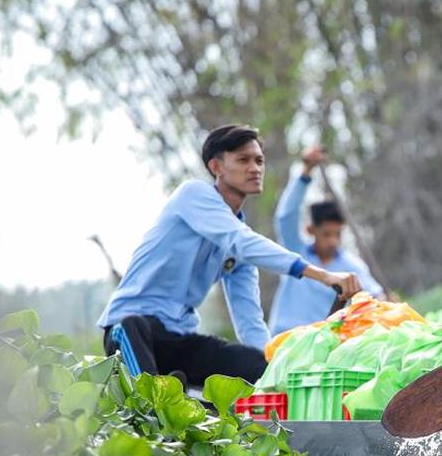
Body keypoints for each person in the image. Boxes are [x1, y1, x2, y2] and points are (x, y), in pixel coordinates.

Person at [97, 124, 361, 384]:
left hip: (178, 340)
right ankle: (148, 402)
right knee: (136, 335)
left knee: (256, 365)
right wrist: (323, 275)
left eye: (259, 161)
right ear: (216, 167)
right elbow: (240, 241)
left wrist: (270, 367)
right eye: (243, 160)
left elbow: (249, 321)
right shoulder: (193, 196)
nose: (255, 168)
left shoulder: (238, 247)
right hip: (131, 330)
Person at [268, 146, 385, 334]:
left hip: (322, 345)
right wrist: (306, 171)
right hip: (285, 339)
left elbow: (374, 294)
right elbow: (286, 217)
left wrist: (386, 304)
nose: (332, 241)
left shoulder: (350, 265)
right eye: (326, 234)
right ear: (311, 230)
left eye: (337, 234)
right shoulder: (295, 253)